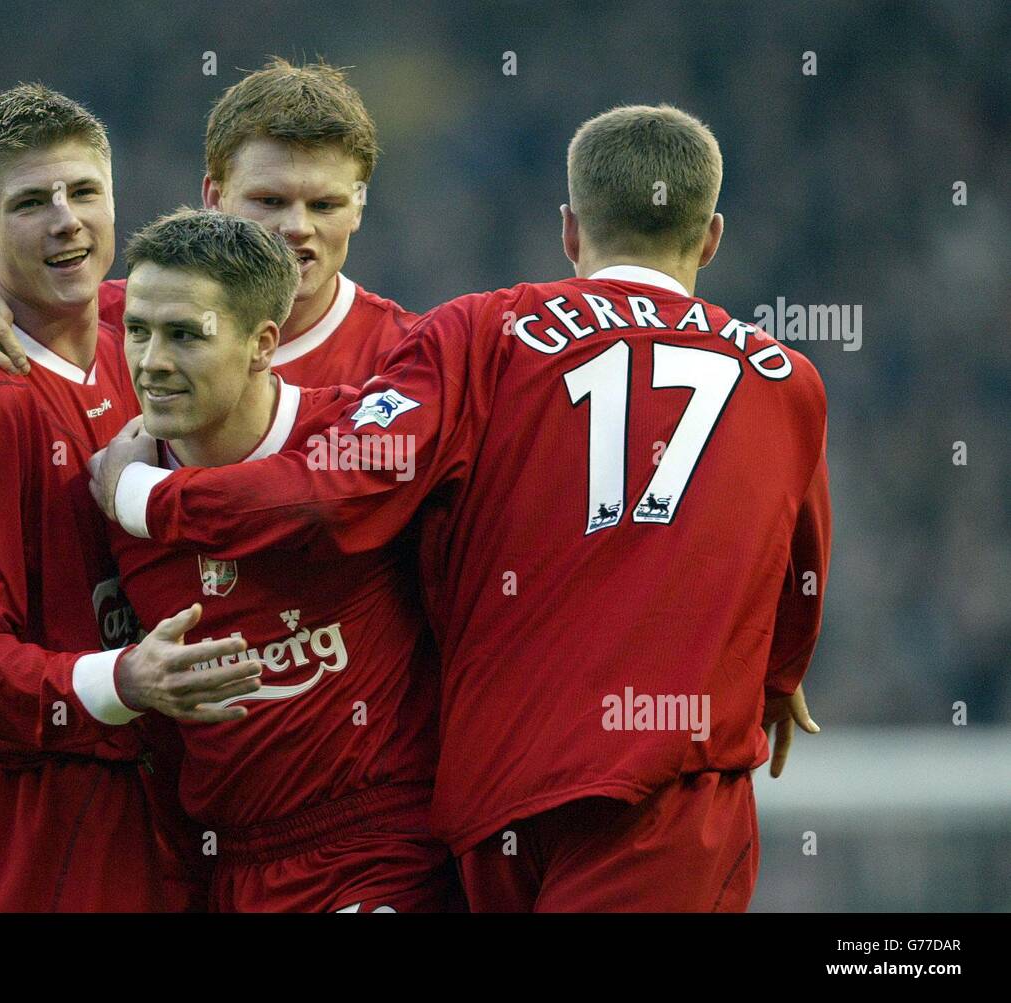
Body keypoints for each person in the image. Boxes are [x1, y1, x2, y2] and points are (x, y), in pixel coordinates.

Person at [93, 105, 832, 912]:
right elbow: (798, 577)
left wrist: (144, 495)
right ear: (712, 236)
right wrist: (777, 678)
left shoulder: (481, 332)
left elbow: (335, 484)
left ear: (569, 229)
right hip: (667, 787)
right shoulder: (786, 379)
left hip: (497, 799)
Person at [0, 84, 257, 912]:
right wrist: (123, 678)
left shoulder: (144, 328)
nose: (67, 220)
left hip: (146, 781)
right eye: (30, 203)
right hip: (19, 810)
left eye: (84, 191)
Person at [93, 207, 454, 912]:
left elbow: (305, 505)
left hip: (380, 853)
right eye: (137, 331)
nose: (151, 361)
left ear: (263, 344)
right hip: (229, 867)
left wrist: (145, 497)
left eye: (184, 336)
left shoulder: (348, 439)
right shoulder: (111, 487)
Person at [0, 59, 410, 438]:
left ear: (359, 207)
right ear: (213, 199)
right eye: (268, 200)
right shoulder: (116, 319)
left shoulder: (402, 356)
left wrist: (138, 498)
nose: (296, 228)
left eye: (325, 206)